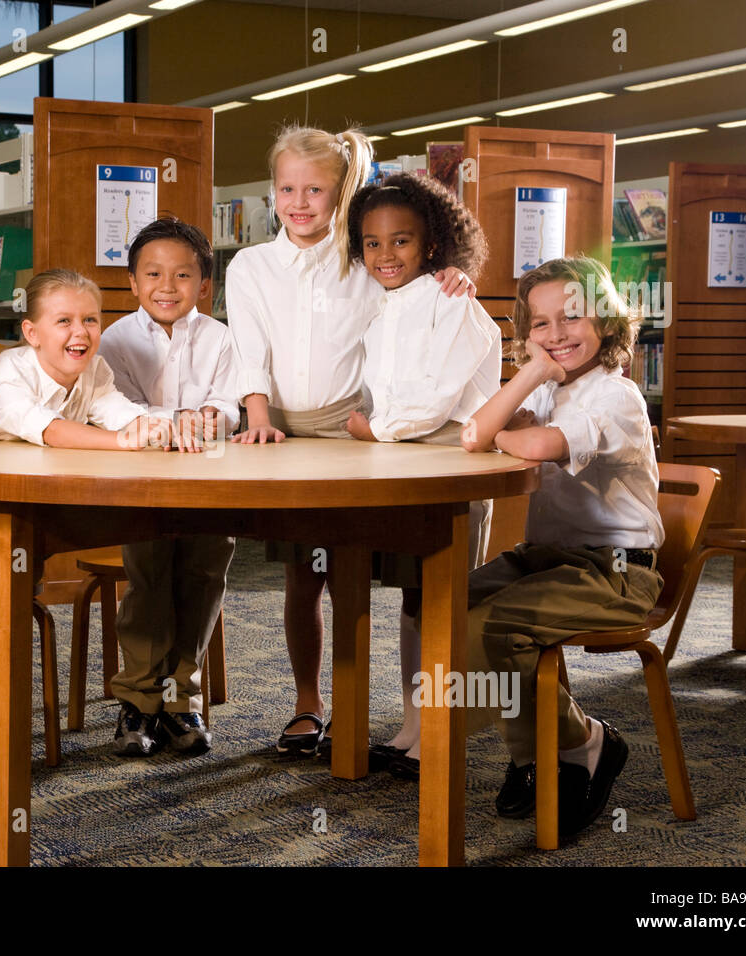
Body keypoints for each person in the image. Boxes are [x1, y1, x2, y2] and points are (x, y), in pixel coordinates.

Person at [225, 123, 475, 754]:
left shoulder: (362, 260)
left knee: (353, 572)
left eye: (316, 191)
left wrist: (455, 276)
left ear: (342, 196)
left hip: (357, 432)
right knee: (301, 575)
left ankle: (364, 708)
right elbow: (250, 349)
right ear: (271, 192)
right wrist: (257, 415)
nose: (299, 202)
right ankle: (308, 703)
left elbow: (412, 294)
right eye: (287, 188)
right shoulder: (251, 265)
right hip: (280, 431)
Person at [461, 255, 663, 837]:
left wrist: (500, 432)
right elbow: (478, 436)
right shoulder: (551, 388)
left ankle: (582, 743)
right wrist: (528, 374)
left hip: (617, 571)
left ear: (605, 321)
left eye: (571, 318)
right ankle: (538, 752)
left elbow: (535, 443)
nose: (557, 335)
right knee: (444, 599)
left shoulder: (614, 396)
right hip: (550, 558)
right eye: (539, 325)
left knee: (496, 628)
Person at [343, 174, 499, 779]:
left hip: (450, 461)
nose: (386, 255)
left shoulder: (452, 299)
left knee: (443, 600)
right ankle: (414, 721)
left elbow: (434, 404)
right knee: (414, 598)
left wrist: (372, 432)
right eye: (373, 243)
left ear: (431, 242)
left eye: (401, 241)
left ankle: (439, 725)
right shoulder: (385, 310)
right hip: (407, 461)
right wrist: (380, 432)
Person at [0, 269, 181, 572]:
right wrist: (122, 441)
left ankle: (11, 561)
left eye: (90, 320)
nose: (81, 331)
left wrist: (153, 427)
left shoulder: (95, 369)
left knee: (23, 555)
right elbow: (52, 430)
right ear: (32, 333)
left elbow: (117, 411)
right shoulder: (11, 371)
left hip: (25, 454)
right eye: (64, 321)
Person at [98, 217, 238, 756]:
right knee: (149, 577)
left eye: (183, 276)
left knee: (204, 575)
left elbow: (229, 401)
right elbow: (119, 408)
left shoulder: (221, 338)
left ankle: (182, 698)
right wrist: (173, 420)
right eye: (152, 274)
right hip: (145, 478)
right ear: (132, 282)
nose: (167, 286)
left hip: (210, 475)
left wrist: (209, 414)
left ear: (204, 284)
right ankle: (137, 700)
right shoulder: (115, 338)